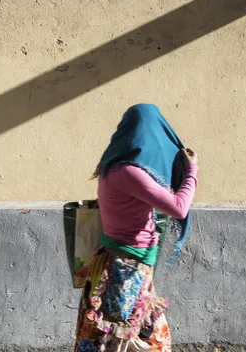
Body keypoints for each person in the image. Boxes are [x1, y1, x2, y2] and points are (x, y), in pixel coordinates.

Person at [74, 104, 199, 352]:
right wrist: (192, 171)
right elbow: (179, 207)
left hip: (127, 265)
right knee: (120, 339)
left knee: (138, 335)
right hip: (125, 269)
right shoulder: (129, 173)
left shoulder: (114, 167)